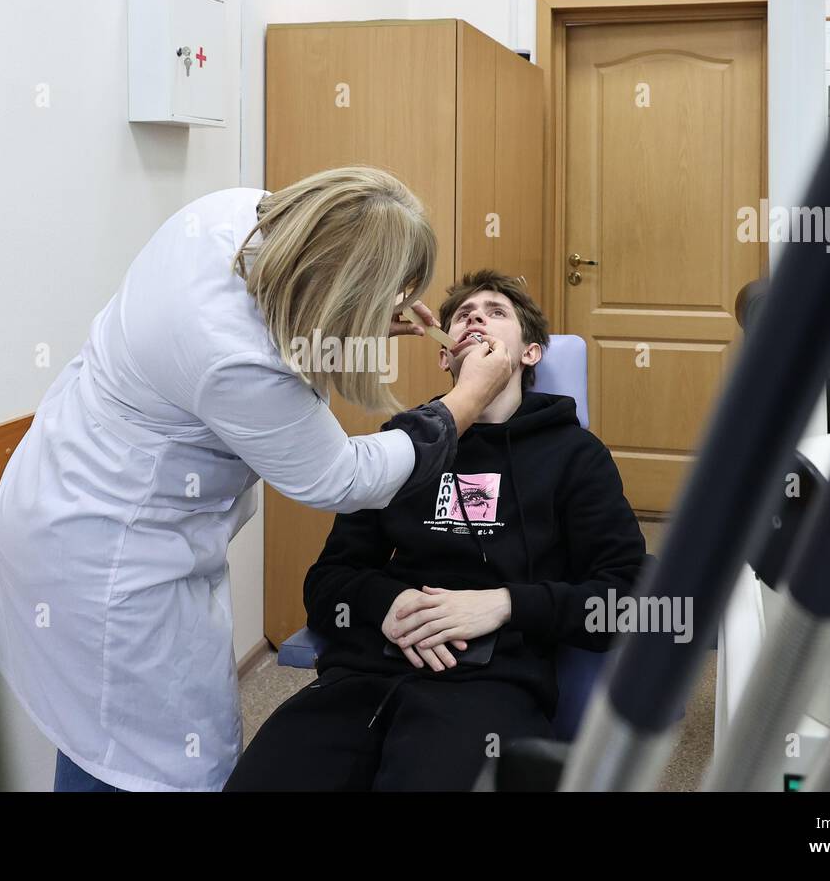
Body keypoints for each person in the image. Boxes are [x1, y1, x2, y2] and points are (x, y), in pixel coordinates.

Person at [0, 167, 515, 791]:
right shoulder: (232, 355)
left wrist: (354, 325)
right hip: (106, 559)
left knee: (108, 743)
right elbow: (339, 481)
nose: (472, 326)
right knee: (140, 764)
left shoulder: (234, 216)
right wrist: (463, 404)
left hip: (76, 496)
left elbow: (605, 582)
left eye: (497, 315)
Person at [224, 269, 649, 791]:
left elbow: (626, 599)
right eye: (463, 315)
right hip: (363, 675)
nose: (474, 317)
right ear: (445, 354)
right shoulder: (403, 447)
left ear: (532, 353)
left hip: (488, 688)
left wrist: (503, 604)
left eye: (496, 313)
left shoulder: (576, 457)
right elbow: (327, 583)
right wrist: (388, 604)